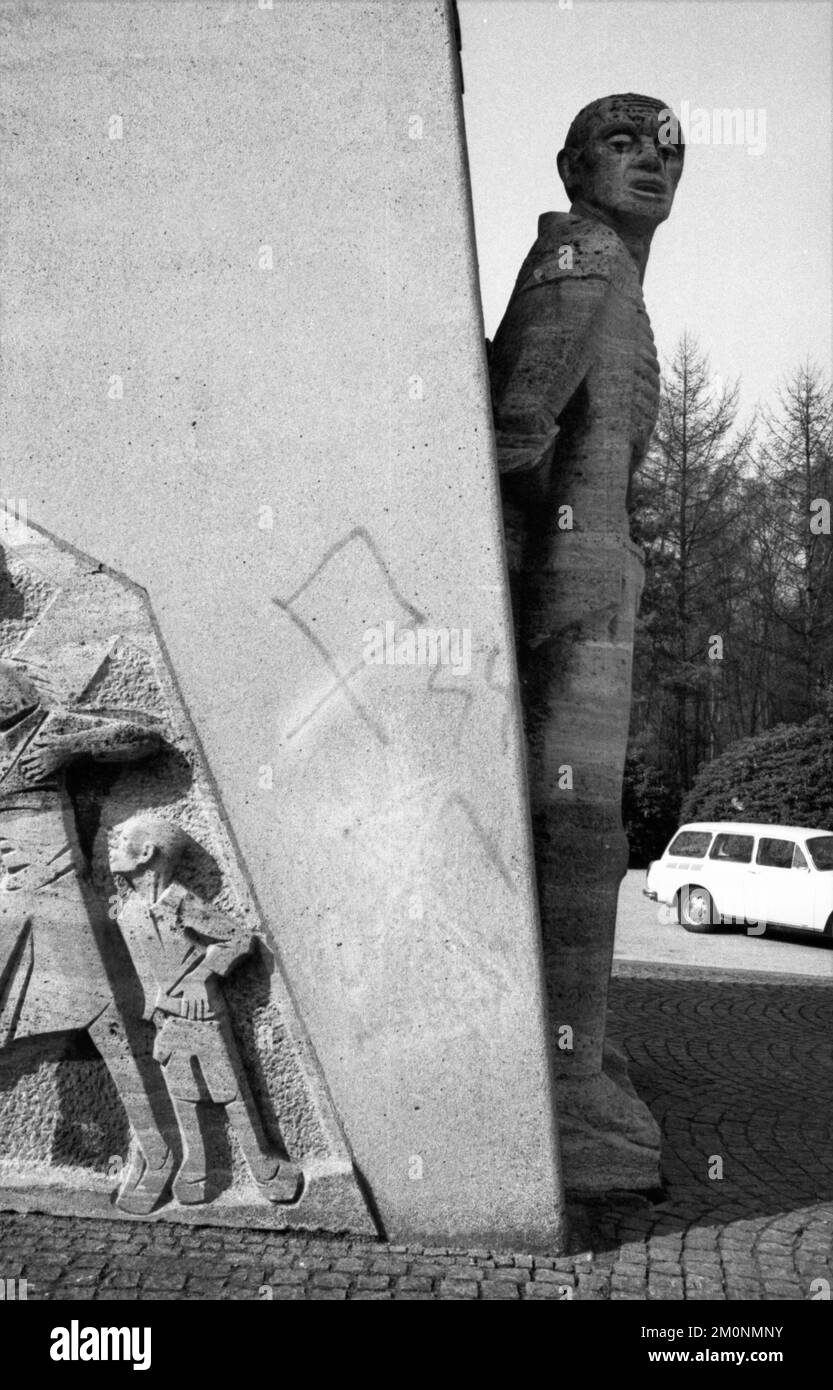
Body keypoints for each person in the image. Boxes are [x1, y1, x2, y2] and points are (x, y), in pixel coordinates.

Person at [108, 813, 302, 1205]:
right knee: (183, 1094)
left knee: (229, 1092)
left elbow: (238, 938)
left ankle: (262, 1165)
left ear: (146, 853)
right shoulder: (127, 915)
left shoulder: (181, 902)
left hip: (204, 1018)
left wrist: (203, 974)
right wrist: (157, 1005)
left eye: (121, 839)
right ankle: (196, 1168)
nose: (112, 846)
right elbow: (143, 979)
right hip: (170, 1019)